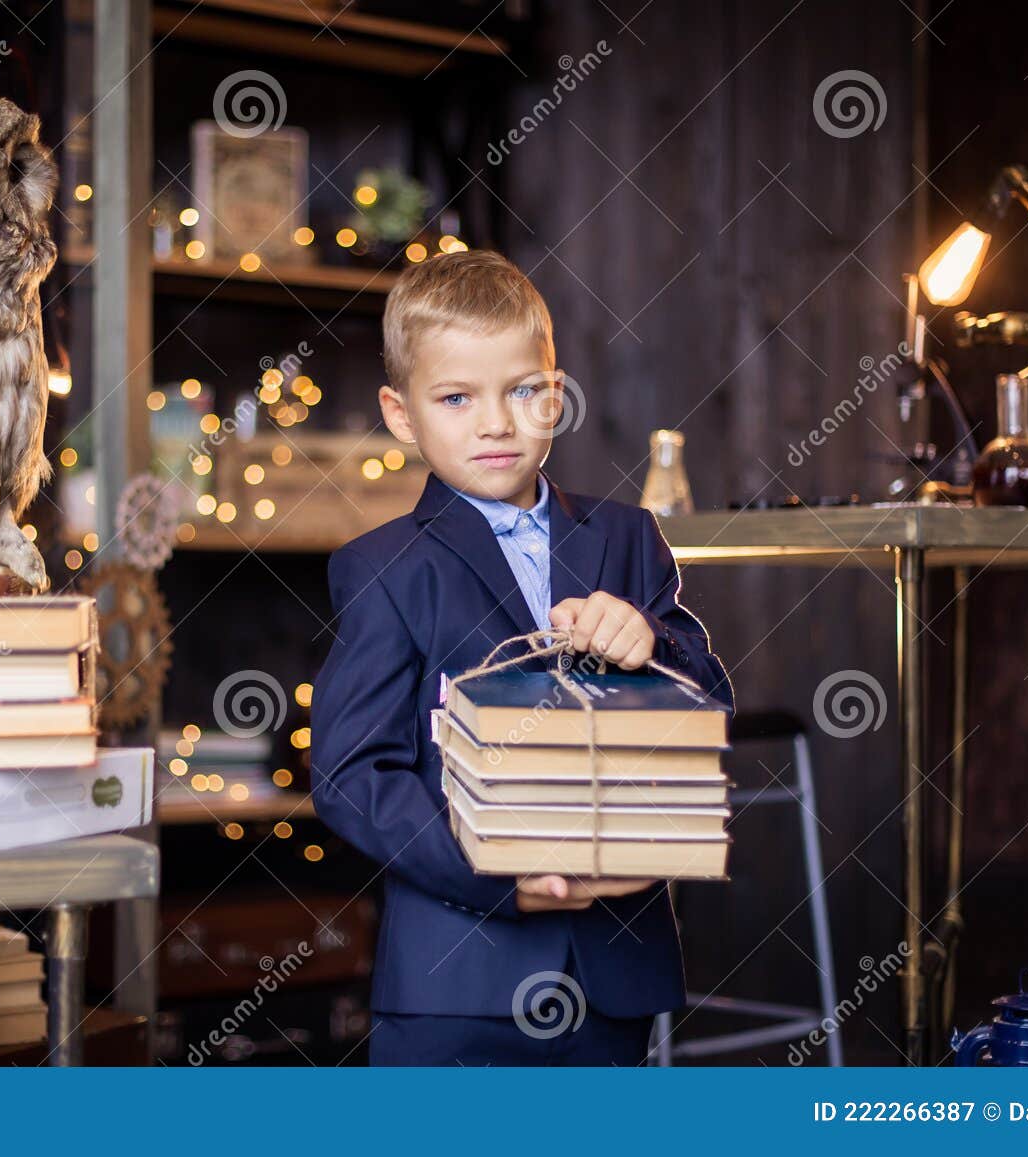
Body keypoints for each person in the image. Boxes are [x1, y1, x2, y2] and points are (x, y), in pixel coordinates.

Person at [310, 249, 734, 1066]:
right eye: (457, 397)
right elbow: (352, 772)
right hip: (456, 983)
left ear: (556, 392)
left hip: (616, 976)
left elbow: (708, 705)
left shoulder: (626, 537)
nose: (495, 423)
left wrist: (652, 644)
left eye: (522, 391)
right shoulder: (384, 567)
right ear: (402, 414)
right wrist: (497, 875)